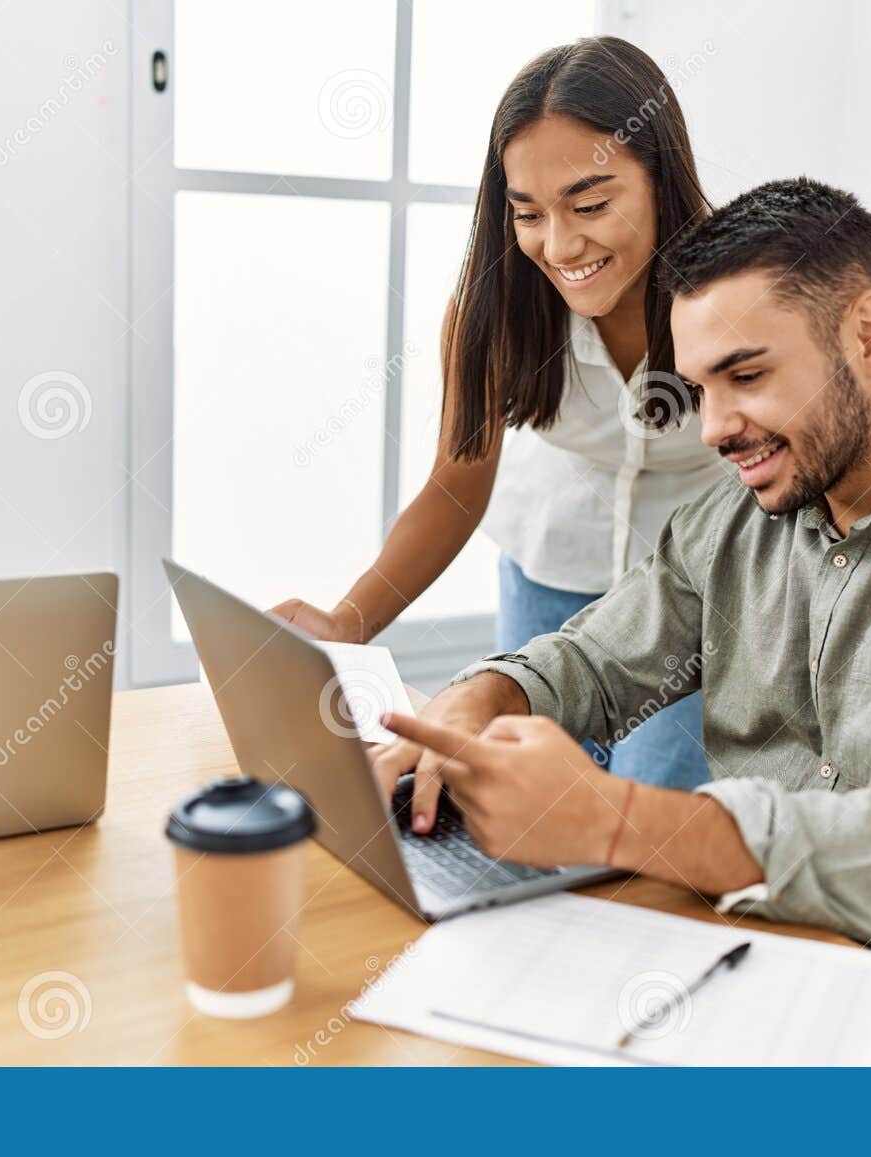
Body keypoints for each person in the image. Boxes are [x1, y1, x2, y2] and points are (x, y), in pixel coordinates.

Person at [377, 177, 871, 1050]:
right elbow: (596, 660)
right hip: (731, 956)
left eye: (745, 375)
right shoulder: (739, 518)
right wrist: (479, 699)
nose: (712, 427)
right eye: (699, 388)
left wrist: (610, 817)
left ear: (867, 331)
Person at [268, 37, 724, 819]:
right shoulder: (494, 309)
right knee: (527, 818)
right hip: (549, 577)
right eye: (528, 213)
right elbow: (455, 486)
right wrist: (347, 623)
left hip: (695, 603)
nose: (560, 243)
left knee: (641, 826)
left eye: (590, 204)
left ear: (662, 178)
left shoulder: (737, 293)